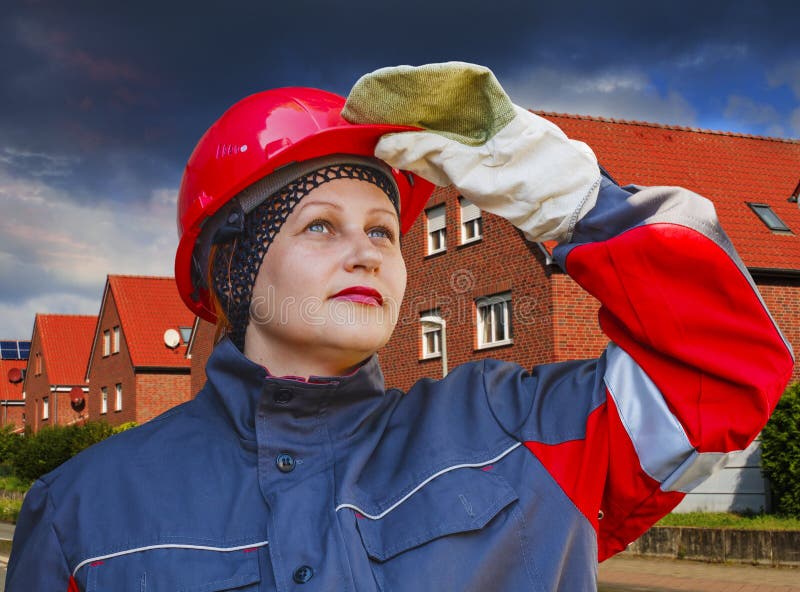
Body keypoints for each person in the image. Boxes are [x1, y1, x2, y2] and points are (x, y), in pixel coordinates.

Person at [6, 63, 793, 591]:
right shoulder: (81, 510)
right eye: (320, 225)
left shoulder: (516, 429)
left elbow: (721, 374)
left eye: (383, 230)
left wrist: (579, 202)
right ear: (227, 267)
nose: (367, 253)